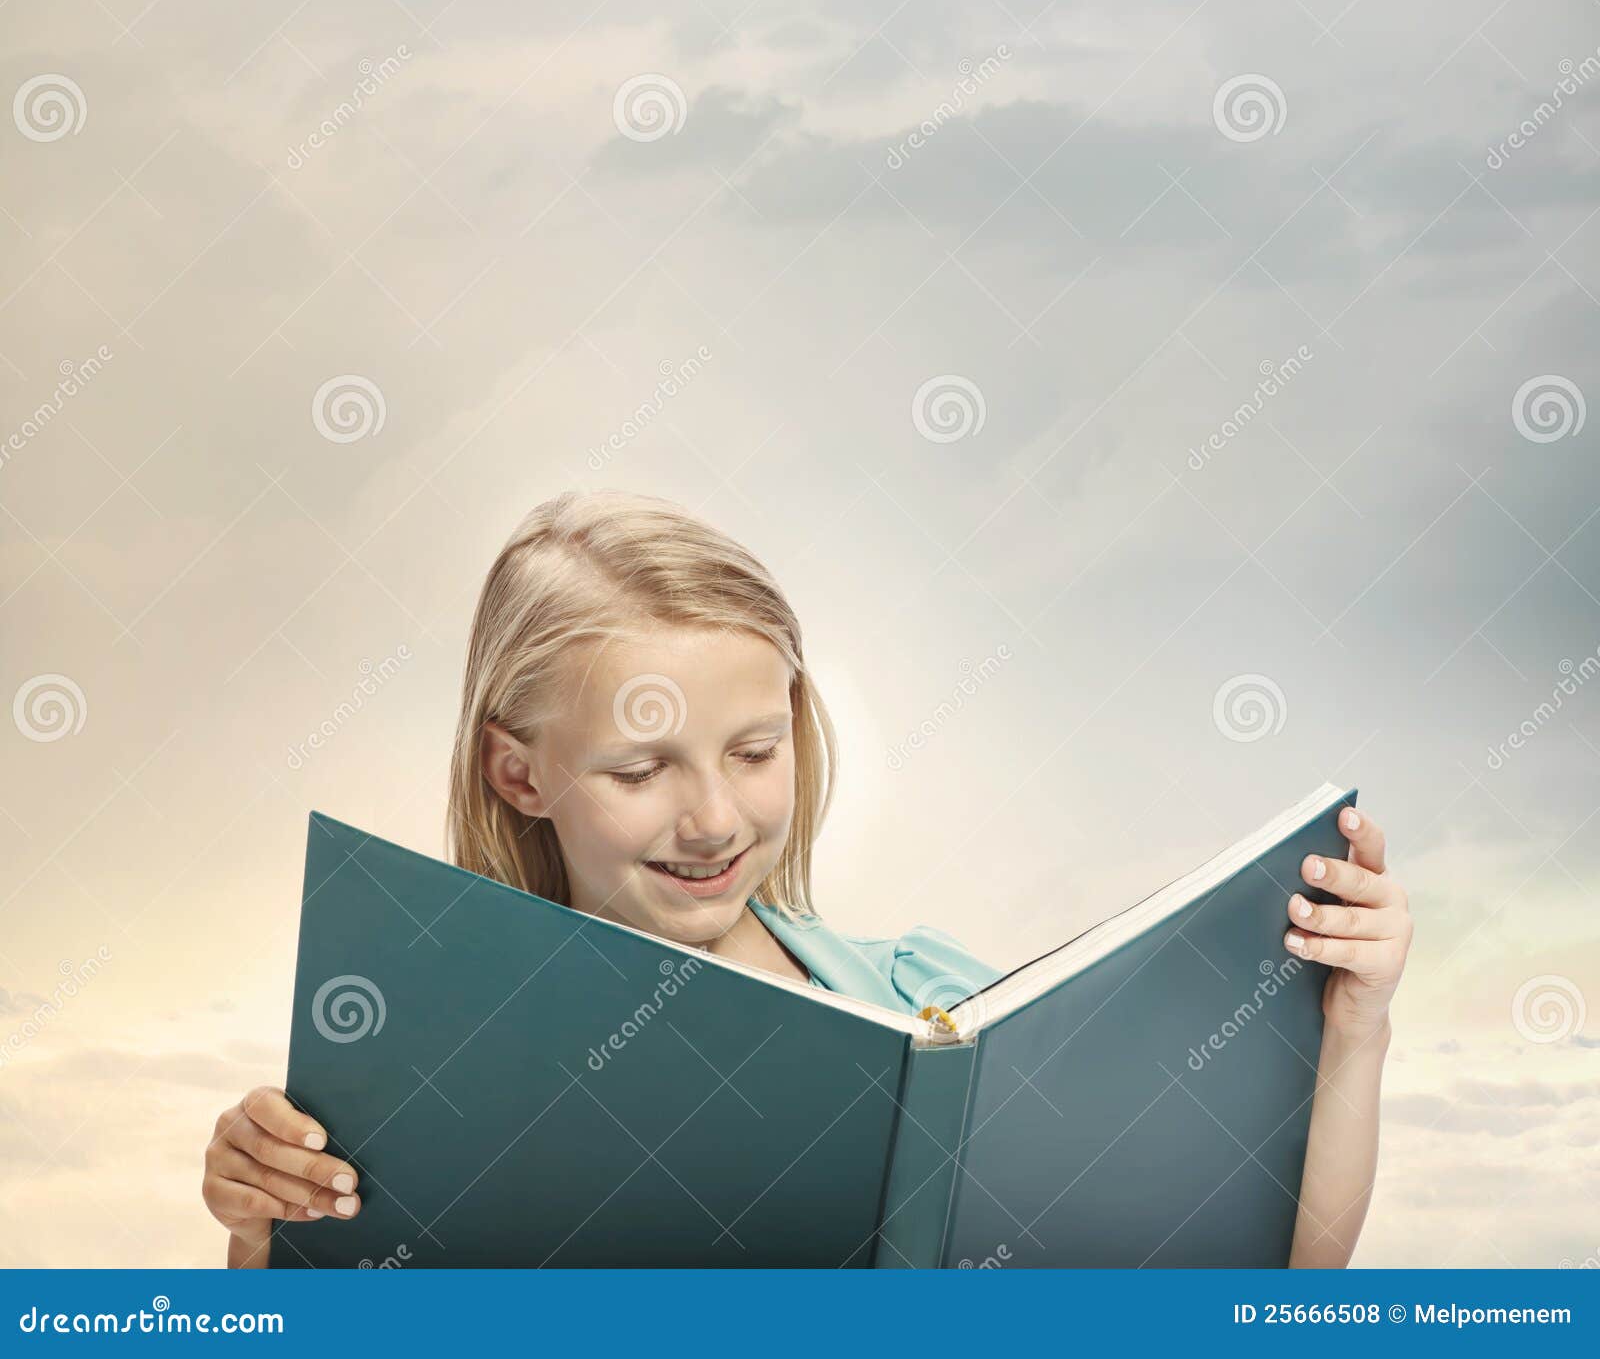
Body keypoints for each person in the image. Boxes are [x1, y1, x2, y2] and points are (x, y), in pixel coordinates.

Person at [200, 490, 1411, 1269]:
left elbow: (1276, 1282)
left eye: (753, 751)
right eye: (639, 768)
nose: (714, 816)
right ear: (520, 775)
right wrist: (260, 1232)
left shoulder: (941, 1008)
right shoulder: (418, 1071)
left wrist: (1351, 1035)